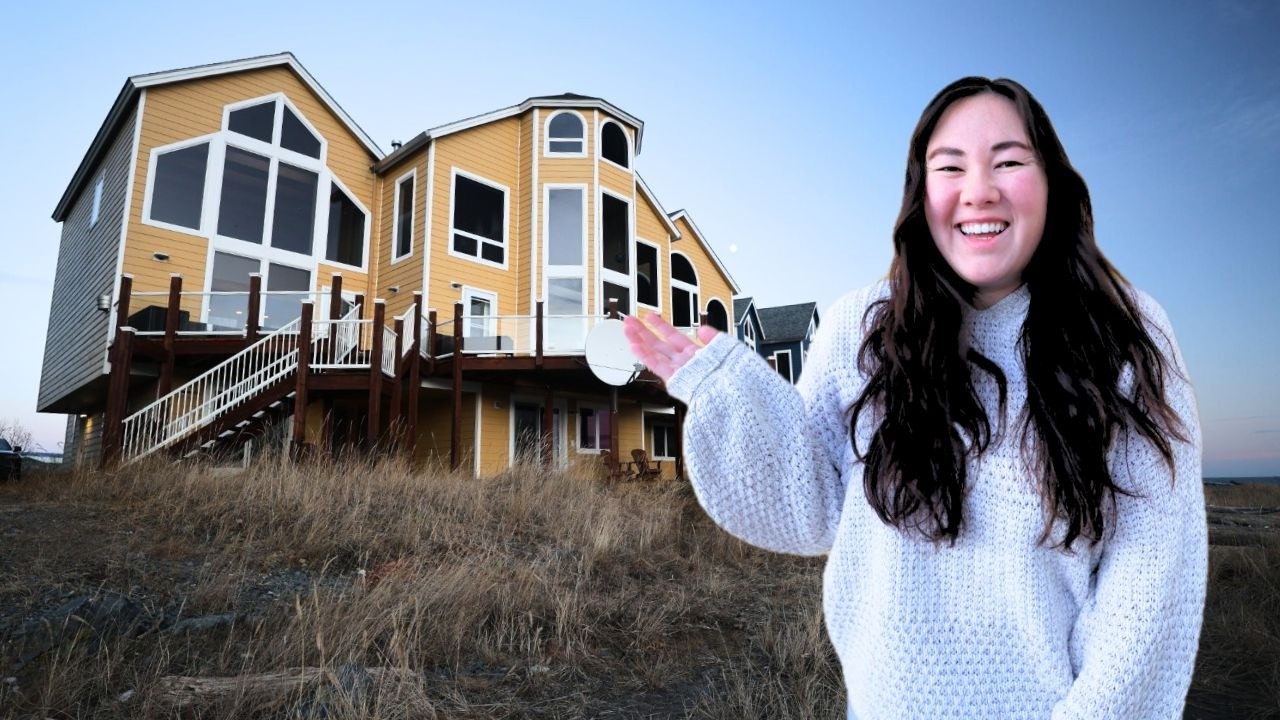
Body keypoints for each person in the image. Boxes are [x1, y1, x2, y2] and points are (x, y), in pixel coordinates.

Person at [623, 77, 1206, 720]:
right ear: (920, 193)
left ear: (1052, 185)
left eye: (1009, 161)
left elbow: (1151, 574)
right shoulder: (861, 329)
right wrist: (730, 389)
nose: (978, 190)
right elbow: (810, 508)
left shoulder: (1126, 334)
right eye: (949, 166)